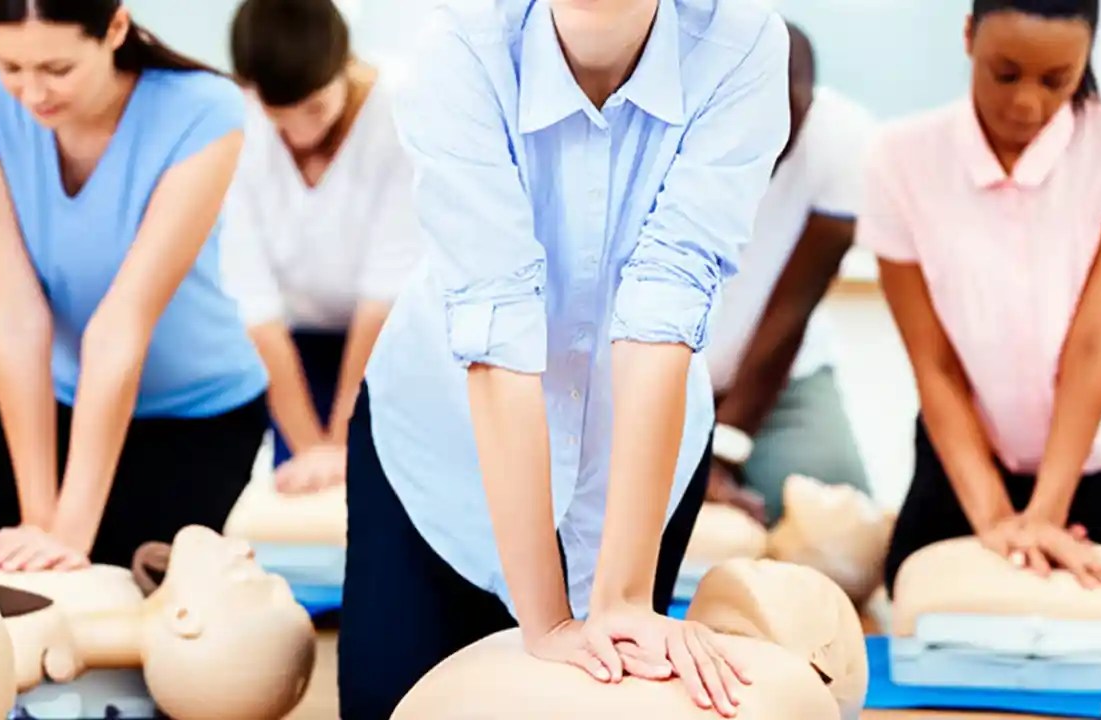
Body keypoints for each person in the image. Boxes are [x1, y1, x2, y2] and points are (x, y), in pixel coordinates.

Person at [337, 0, 791, 718]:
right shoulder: (461, 41)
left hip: (638, 449)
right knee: (391, 701)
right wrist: (546, 620)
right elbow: (498, 328)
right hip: (447, 445)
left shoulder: (741, 44)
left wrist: (623, 598)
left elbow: (665, 308)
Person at [857, 0, 1101, 594]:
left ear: (1086, 60)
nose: (1027, 103)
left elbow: (1094, 341)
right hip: (971, 435)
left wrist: (1044, 515)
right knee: (912, 584)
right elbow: (933, 359)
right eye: (1005, 74)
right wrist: (995, 517)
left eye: (1058, 80)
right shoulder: (898, 158)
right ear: (967, 38)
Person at [0, 1, 269, 573]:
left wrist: (67, 537)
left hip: (193, 419)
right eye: (10, 67)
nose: (32, 93)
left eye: (57, 70)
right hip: (53, 397)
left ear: (115, 28)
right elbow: (16, 311)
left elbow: (122, 323)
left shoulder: (203, 110)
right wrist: (38, 521)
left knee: (119, 638)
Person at [224, 0, 422, 495]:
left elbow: (384, 295)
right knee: (300, 483)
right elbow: (256, 310)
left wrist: (342, 446)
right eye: (279, 117)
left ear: (346, 68)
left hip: (388, 337)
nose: (301, 133)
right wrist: (315, 449)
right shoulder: (234, 124)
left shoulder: (399, 114)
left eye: (314, 108)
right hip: (293, 343)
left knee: (379, 485)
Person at [704, 23, 876, 525]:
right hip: (645, 375)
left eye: (789, 115)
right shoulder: (663, 127)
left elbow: (790, 313)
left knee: (841, 535)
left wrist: (722, 452)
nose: (772, 134)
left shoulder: (843, 140)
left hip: (784, 381)